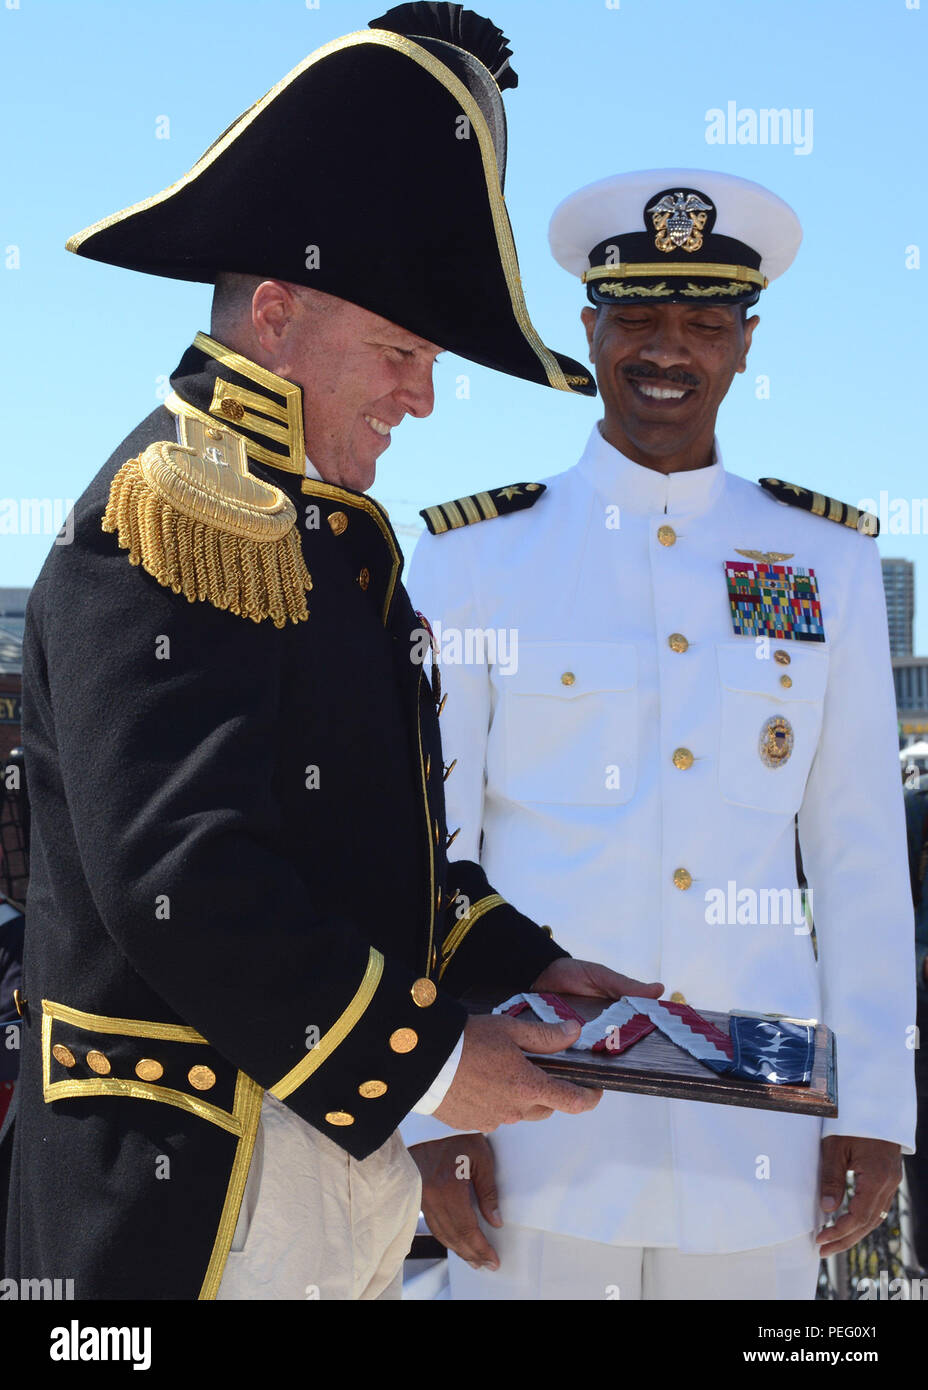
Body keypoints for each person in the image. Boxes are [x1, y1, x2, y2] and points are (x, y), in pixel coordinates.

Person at [0, 9, 656, 1302]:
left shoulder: (322, 536)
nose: (422, 396)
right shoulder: (176, 505)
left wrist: (520, 964)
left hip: (330, 1154)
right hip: (194, 1185)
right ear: (278, 312)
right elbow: (184, 873)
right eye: (404, 351)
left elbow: (365, 857)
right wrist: (433, 1063)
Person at [404, 169, 917, 1299]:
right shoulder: (477, 558)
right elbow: (424, 856)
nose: (665, 348)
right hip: (531, 1125)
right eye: (634, 317)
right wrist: (433, 1109)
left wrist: (874, 1108)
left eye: (702, 320)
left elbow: (860, 859)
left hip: (763, 1136)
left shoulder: (817, 558)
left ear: (745, 342)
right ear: (589, 331)